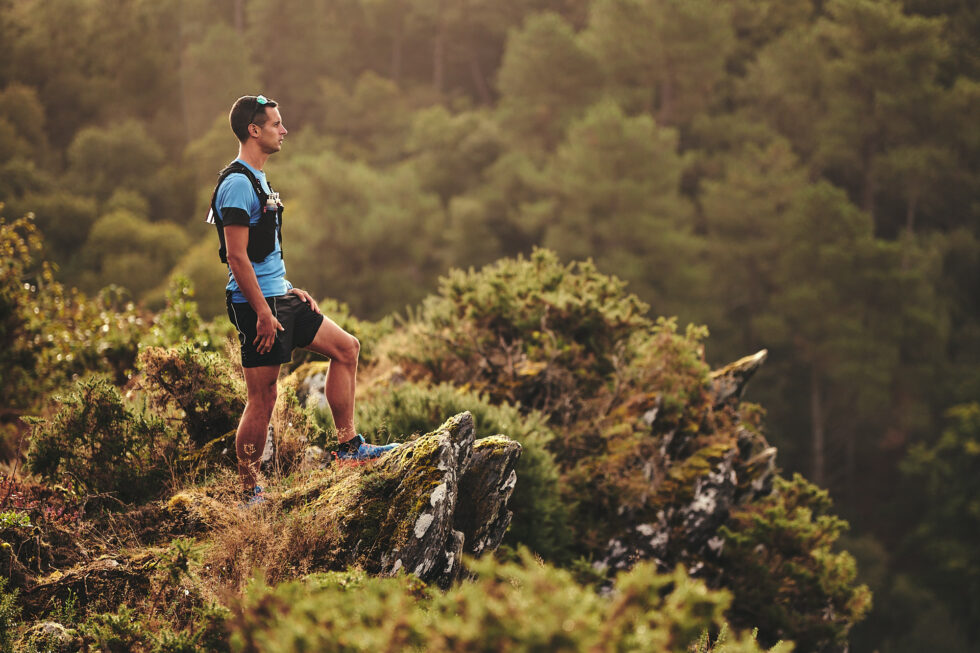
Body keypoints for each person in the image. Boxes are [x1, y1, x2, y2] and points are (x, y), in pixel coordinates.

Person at [207, 94, 397, 505]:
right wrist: (261, 311)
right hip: (257, 305)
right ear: (253, 130)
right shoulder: (237, 184)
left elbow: (263, 251)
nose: (284, 130)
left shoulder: (260, 180)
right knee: (263, 397)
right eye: (276, 124)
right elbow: (237, 257)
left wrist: (288, 287)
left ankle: (349, 449)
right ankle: (248, 491)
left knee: (347, 349)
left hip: (281, 296)